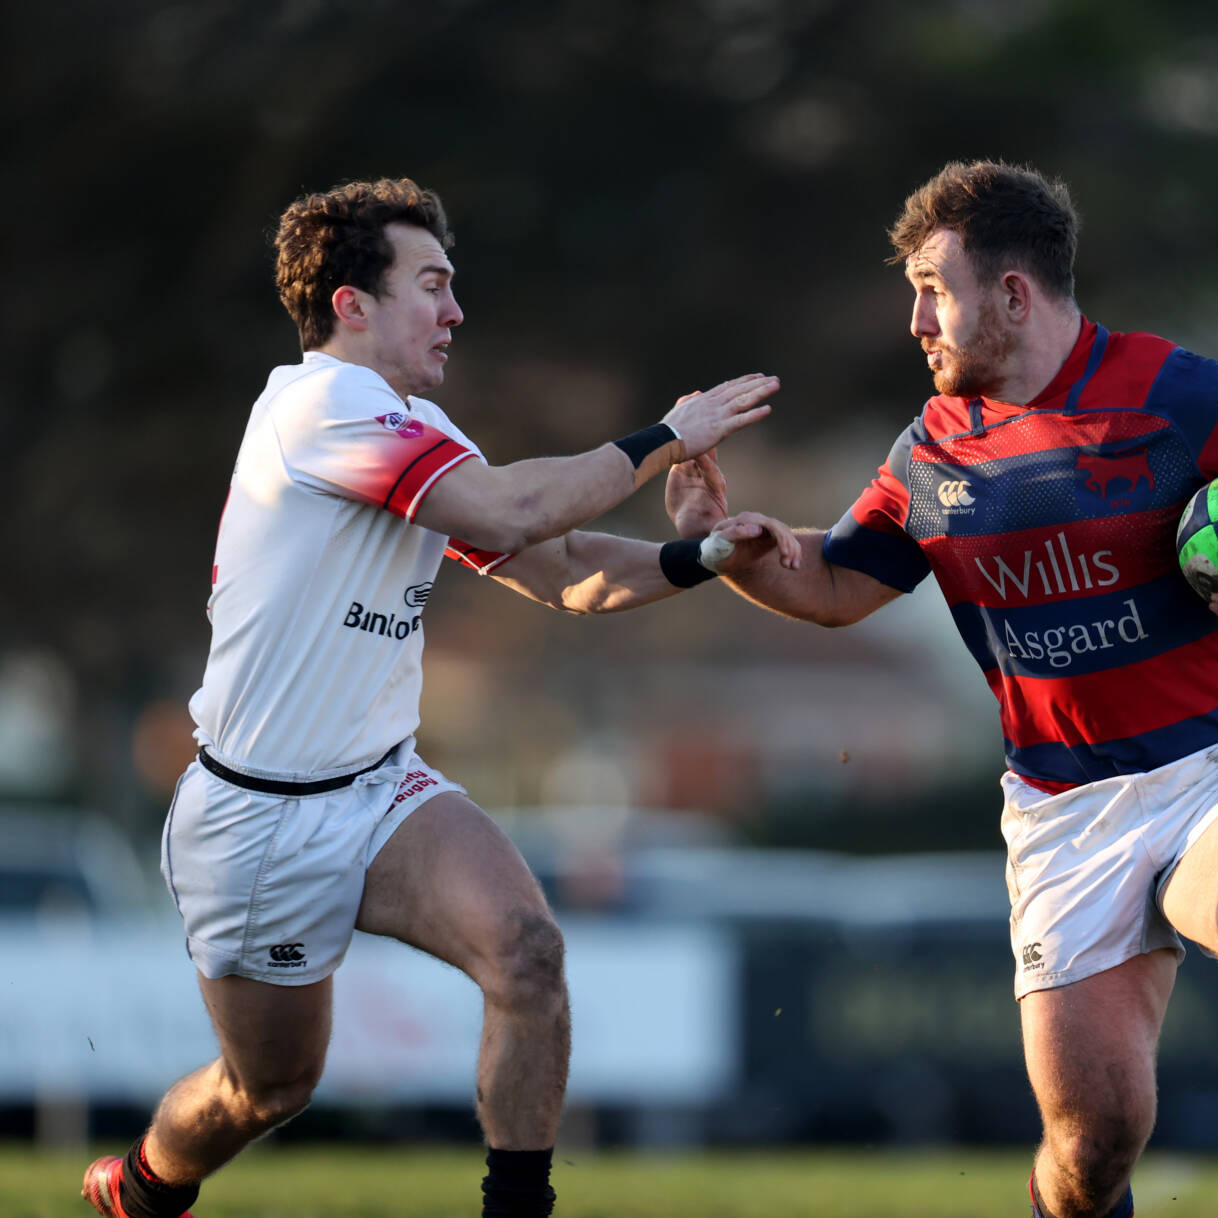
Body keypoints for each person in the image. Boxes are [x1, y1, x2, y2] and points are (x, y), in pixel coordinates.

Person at [667, 160, 1218, 1218]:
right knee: (1094, 1143)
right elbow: (834, 584)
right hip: (1065, 812)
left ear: (1013, 294)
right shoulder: (931, 451)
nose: (915, 318)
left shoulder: (1171, 390)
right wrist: (721, 550)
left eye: (934, 286)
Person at [80, 177, 800, 1218]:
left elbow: (556, 569)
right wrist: (665, 436)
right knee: (268, 1088)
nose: (455, 310)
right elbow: (511, 508)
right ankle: (145, 1187)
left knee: (528, 953)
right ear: (351, 305)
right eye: (432, 285)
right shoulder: (323, 409)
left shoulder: (408, 425)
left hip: (379, 789)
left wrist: (702, 556)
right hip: (258, 820)